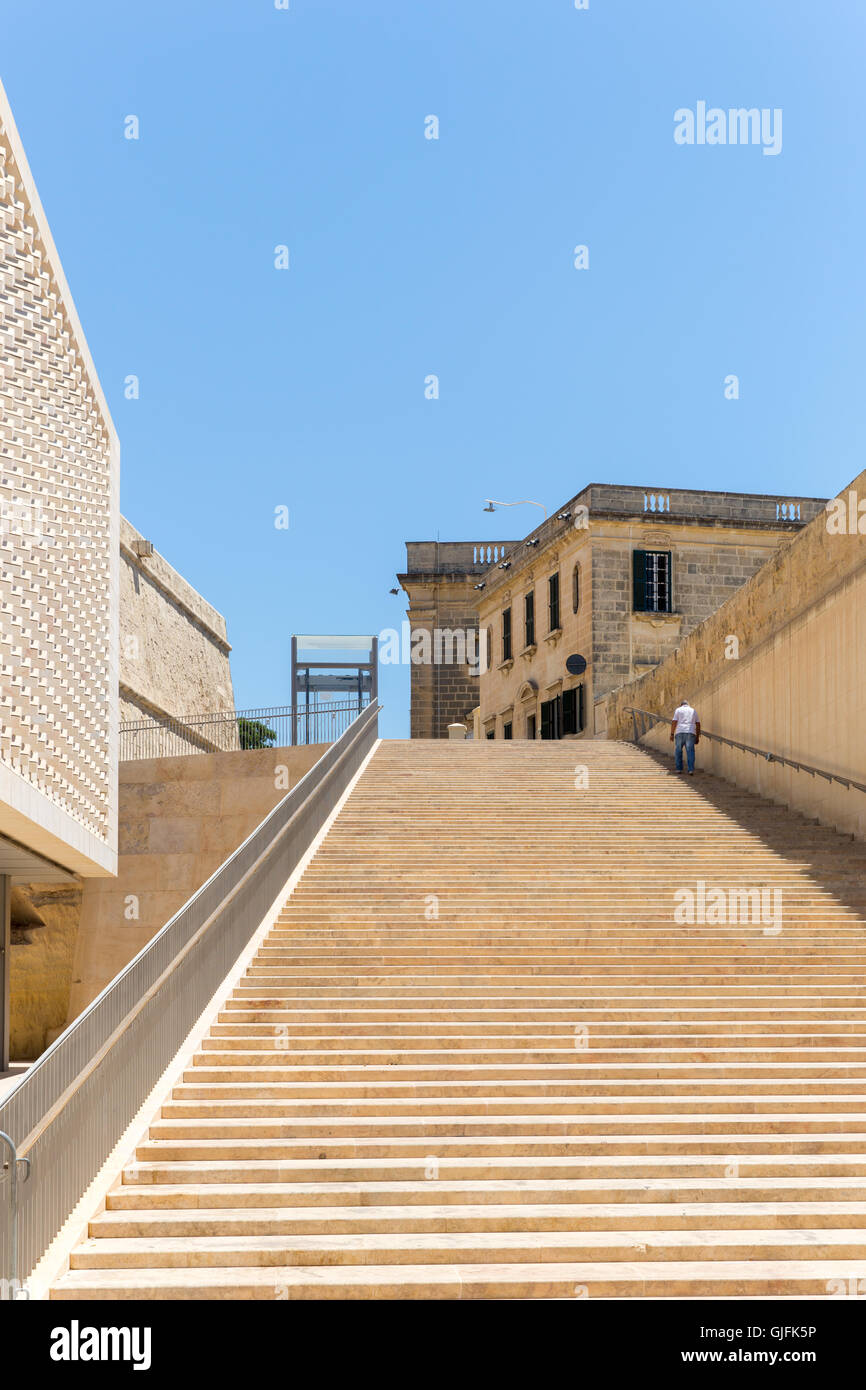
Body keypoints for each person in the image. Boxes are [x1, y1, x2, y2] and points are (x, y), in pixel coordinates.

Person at [670, 698, 700, 774]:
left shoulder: (678, 710)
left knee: (678, 751)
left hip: (680, 732)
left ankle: (679, 769)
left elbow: (674, 722)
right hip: (690, 732)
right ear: (688, 704)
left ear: (681, 705)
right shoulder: (693, 710)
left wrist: (672, 734)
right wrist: (697, 736)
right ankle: (690, 770)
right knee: (690, 751)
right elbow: (698, 724)